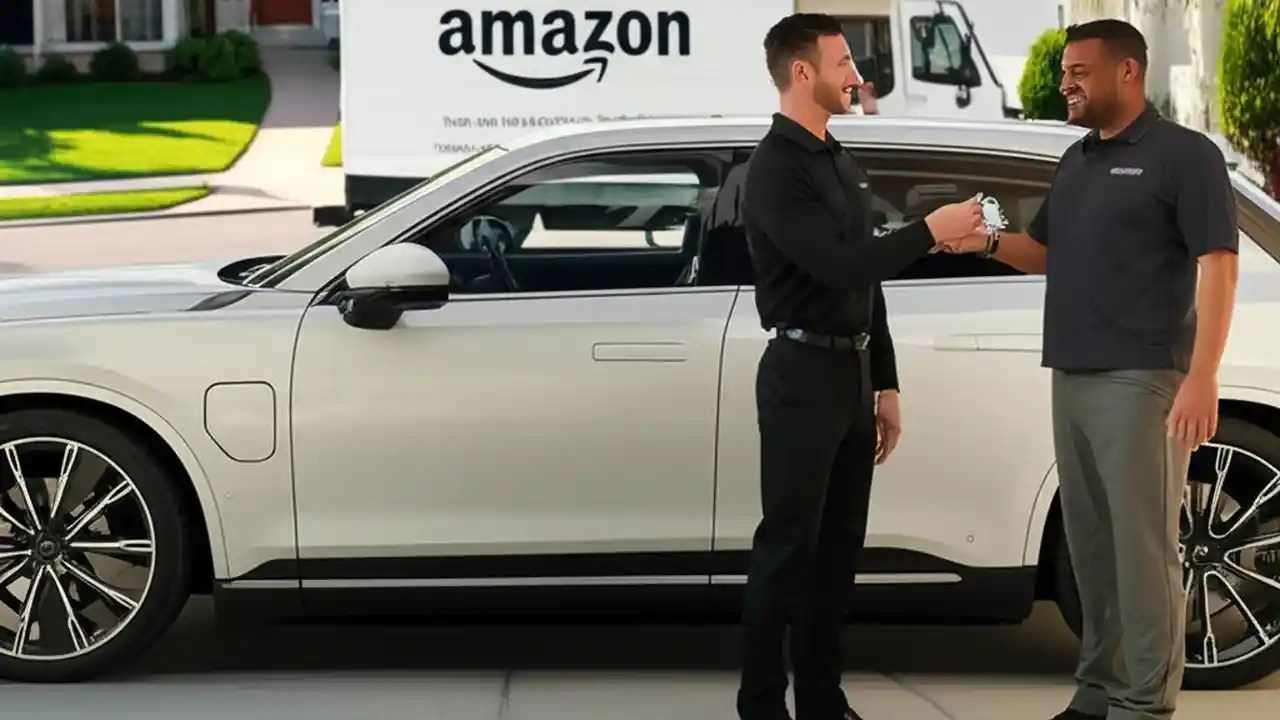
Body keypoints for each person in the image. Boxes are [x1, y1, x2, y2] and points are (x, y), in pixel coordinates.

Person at [949, 19, 1239, 720]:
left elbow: (1219, 266)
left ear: (1128, 72)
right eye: (1064, 73)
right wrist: (984, 241)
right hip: (1072, 376)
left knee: (1143, 553)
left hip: (1142, 379)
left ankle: (1143, 702)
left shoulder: (1184, 156)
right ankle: (1098, 692)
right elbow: (1045, 252)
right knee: (1091, 548)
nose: (1065, 84)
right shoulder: (1077, 160)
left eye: (1079, 71)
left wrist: (1202, 375)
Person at [736, 13, 989, 720]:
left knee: (839, 552)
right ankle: (760, 706)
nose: (857, 75)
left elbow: (863, 281)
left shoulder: (837, 158)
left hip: (849, 376)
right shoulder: (775, 171)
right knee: (788, 548)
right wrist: (931, 228)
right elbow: (838, 263)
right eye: (843, 61)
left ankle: (823, 698)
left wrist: (886, 381)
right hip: (798, 376)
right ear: (801, 72)